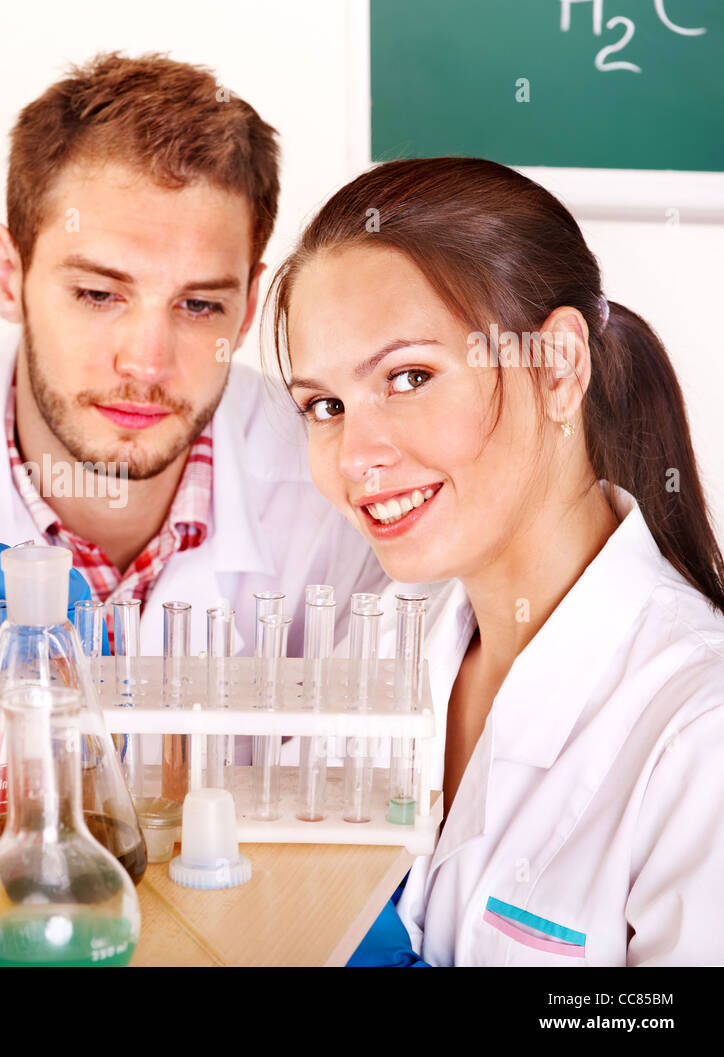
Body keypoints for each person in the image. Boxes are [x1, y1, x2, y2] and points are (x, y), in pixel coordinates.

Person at [269, 156, 724, 966]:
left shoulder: (697, 732)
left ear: (557, 366)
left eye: (409, 376)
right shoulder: (379, 651)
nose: (356, 456)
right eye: (326, 406)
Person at [0, 53, 388, 726]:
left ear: (250, 303)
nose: (146, 364)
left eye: (198, 306)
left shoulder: (342, 507)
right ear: (6, 275)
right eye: (99, 294)